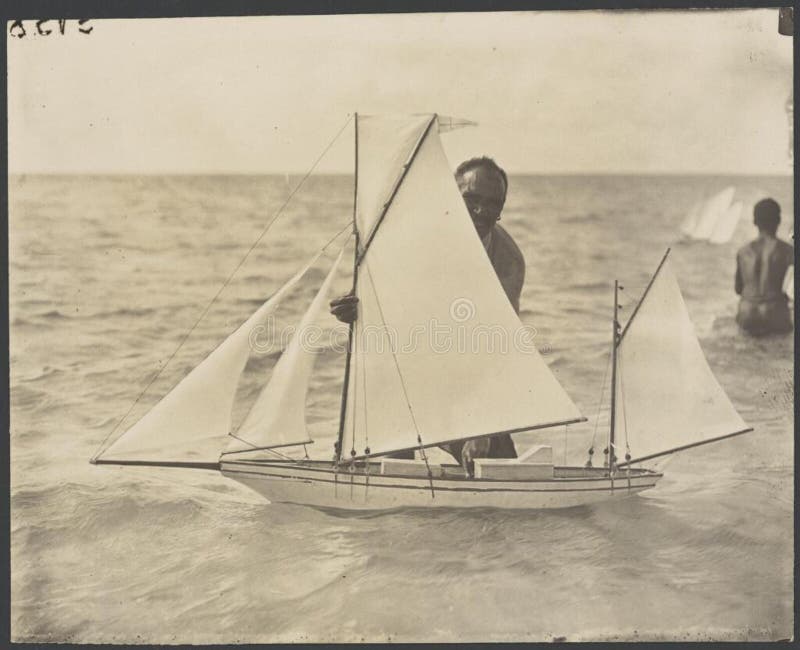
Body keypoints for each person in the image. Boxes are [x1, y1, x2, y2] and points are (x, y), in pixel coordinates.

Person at [330, 157, 525, 471]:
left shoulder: (507, 260)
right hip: (401, 374)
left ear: (501, 209)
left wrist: (484, 427)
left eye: (492, 203)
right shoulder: (406, 239)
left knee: (502, 475)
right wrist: (354, 308)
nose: (480, 211)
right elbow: (378, 302)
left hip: (463, 380)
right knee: (388, 481)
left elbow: (498, 349)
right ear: (449, 195)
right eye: (470, 200)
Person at [734, 198, 794, 336]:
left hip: (747, 314)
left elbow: (738, 289)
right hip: (774, 313)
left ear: (754, 221)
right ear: (778, 221)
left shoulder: (743, 252)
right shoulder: (787, 250)